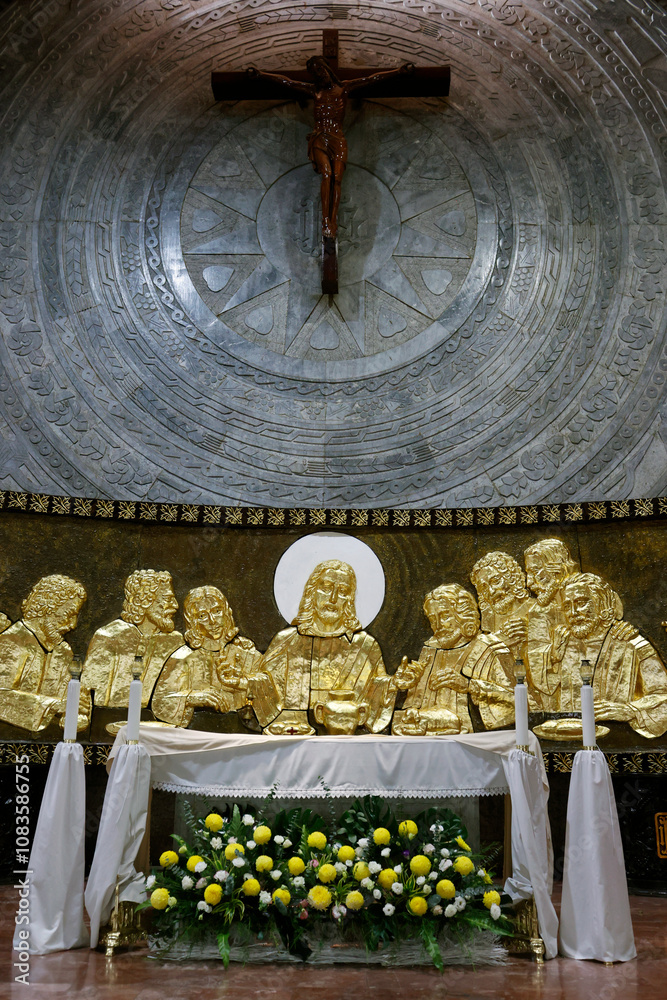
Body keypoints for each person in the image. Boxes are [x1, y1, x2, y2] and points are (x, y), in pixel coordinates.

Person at [247, 57, 413, 238]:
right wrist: (261, 75)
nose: (320, 74)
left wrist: (398, 72)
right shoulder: (314, 91)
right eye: (315, 73)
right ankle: (326, 221)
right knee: (327, 174)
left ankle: (332, 220)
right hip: (320, 138)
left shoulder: (344, 88)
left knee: (337, 178)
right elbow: (288, 82)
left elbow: (372, 79)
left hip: (337, 139)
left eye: (320, 69)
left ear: (327, 68)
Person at [252, 559, 394, 735]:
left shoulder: (365, 646)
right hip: (293, 734)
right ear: (311, 592)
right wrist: (243, 682)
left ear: (350, 600)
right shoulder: (286, 641)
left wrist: (395, 684)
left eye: (342, 592)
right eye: (326, 588)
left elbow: (379, 690)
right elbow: (263, 686)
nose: (333, 599)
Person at [548, 572, 667, 738]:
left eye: (581, 603)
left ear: (601, 604)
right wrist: (553, 659)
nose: (573, 613)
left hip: (618, 740)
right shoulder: (561, 645)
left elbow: (663, 697)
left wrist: (631, 710)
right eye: (567, 606)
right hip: (568, 740)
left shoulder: (633, 644)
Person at [391, 584, 515, 735]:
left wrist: (469, 686)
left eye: (444, 616)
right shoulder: (430, 650)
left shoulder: (489, 649)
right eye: (432, 619)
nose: (438, 626)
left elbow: (517, 702)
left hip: (473, 742)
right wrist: (404, 687)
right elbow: (415, 707)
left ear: (463, 615)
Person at [152, 585, 261, 727]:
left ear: (226, 612)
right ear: (193, 622)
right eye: (202, 616)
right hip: (197, 734)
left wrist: (242, 683)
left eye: (217, 611)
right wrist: (191, 698)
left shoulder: (247, 655)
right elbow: (160, 703)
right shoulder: (183, 658)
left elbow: (271, 691)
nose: (212, 620)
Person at [81, 569, 182, 710]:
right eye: (167, 599)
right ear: (144, 600)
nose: (175, 605)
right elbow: (84, 694)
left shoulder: (176, 642)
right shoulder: (109, 637)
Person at [0, 575, 88, 732]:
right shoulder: (12, 641)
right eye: (69, 614)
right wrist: (54, 706)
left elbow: (69, 702)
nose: (72, 625)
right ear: (48, 608)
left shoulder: (63, 651)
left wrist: (79, 708)